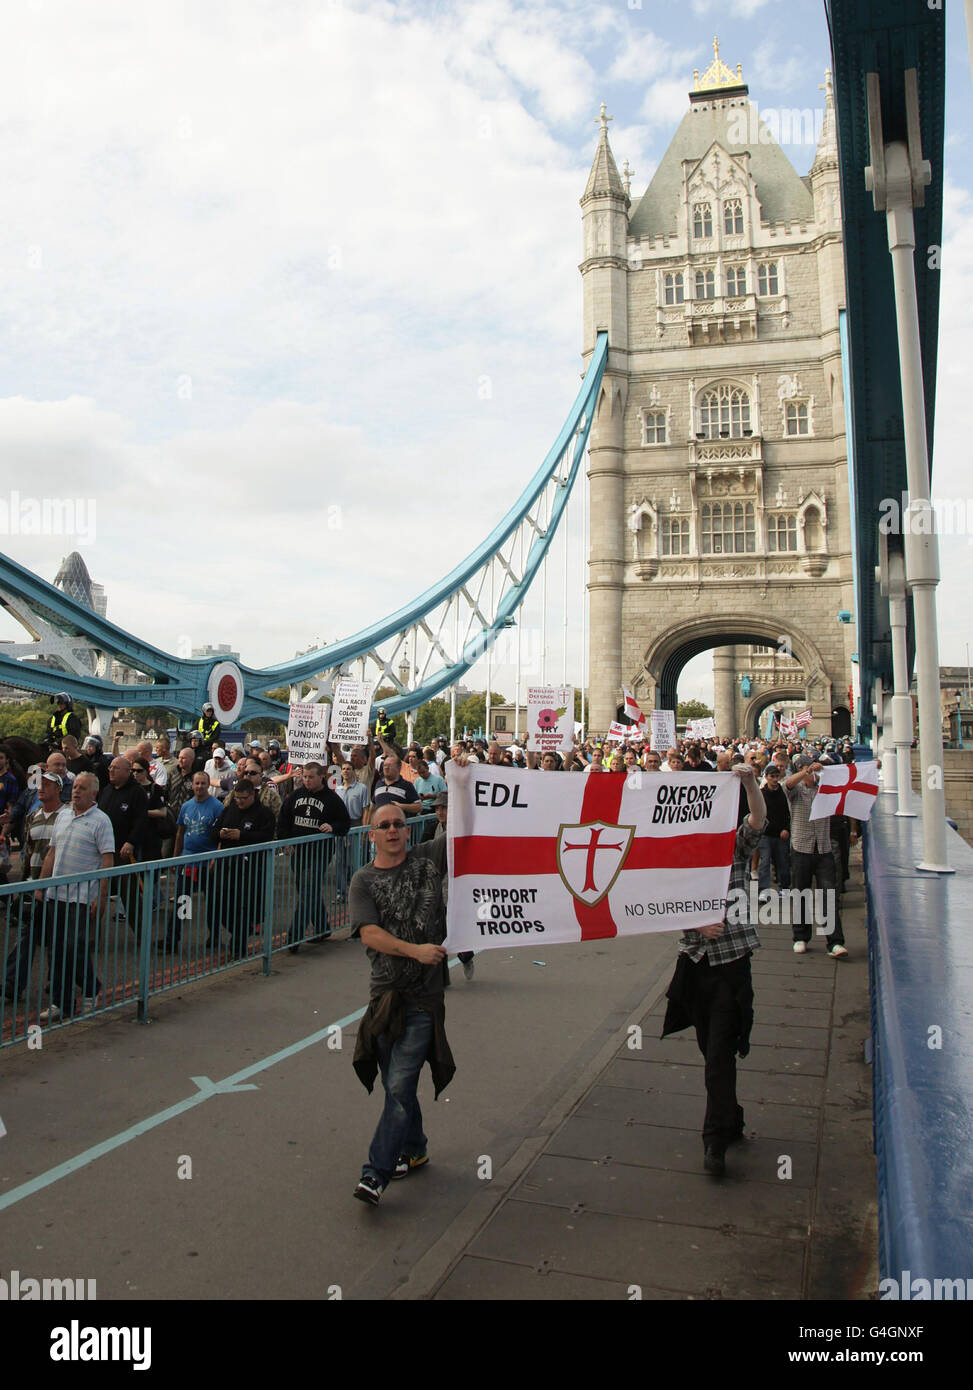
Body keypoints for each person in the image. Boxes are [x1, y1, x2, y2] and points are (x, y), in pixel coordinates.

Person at [661, 763, 766, 1177]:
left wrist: (750, 783)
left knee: (720, 1051)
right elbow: (655, 904)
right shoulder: (677, 851)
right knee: (711, 1049)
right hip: (695, 964)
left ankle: (714, 1141)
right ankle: (732, 1116)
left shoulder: (733, 845)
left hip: (732, 961)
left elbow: (758, 820)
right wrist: (694, 924)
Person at [349, 804, 454, 1205]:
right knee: (400, 1083)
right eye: (384, 826)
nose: (393, 830)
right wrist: (416, 951)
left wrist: (463, 777)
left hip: (424, 998)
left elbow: (468, 831)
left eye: (399, 824)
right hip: (385, 996)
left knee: (398, 1083)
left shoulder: (428, 860)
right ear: (371, 835)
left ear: (408, 831)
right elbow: (370, 935)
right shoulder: (363, 880)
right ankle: (415, 1147)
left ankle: (375, 1173)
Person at [34, 772, 114, 1023]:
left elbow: (107, 861)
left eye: (82, 788)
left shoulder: (101, 821)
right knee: (56, 950)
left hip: (81, 897)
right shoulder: (64, 815)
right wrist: (41, 886)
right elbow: (52, 853)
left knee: (73, 948)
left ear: (94, 794)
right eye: (75, 786)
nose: (76, 791)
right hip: (56, 894)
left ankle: (92, 988)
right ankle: (60, 1002)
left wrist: (101, 898)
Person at [278, 762, 350, 950]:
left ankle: (294, 937)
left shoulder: (332, 799)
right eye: (305, 777)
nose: (307, 780)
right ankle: (323, 928)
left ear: (321, 778)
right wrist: (286, 841)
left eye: (311, 777)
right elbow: (283, 819)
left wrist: (333, 827)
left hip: (319, 853)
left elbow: (345, 823)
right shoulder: (296, 796)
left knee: (308, 889)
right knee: (306, 890)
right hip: (298, 852)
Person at [784, 756, 848, 958]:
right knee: (801, 893)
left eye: (812, 769)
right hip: (801, 847)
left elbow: (847, 782)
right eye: (805, 769)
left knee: (829, 896)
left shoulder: (825, 788)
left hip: (823, 848)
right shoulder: (796, 790)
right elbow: (787, 784)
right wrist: (805, 771)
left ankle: (835, 942)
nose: (811, 772)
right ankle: (800, 937)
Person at [210, 779, 275, 957]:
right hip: (226, 866)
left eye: (243, 798)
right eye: (237, 798)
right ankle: (242, 931)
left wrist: (242, 835)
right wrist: (221, 834)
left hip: (250, 868)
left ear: (252, 795)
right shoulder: (229, 809)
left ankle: (238, 947)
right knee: (222, 907)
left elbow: (267, 836)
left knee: (243, 908)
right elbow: (213, 832)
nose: (239, 801)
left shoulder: (264, 813)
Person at [163, 771, 224, 952]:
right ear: (193, 784)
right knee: (183, 901)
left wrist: (216, 856)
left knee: (212, 902)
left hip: (208, 862)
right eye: (196, 783)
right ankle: (173, 939)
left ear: (208, 785)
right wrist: (176, 857)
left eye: (203, 784)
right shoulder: (186, 806)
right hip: (188, 861)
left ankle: (214, 936)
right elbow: (180, 832)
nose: (199, 787)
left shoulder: (217, 807)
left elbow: (221, 835)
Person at [335, 761, 369, 900]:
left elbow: (366, 810)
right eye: (343, 769)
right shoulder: (338, 789)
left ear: (353, 771)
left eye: (349, 769)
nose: (346, 771)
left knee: (356, 860)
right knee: (340, 861)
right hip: (341, 826)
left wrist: (364, 830)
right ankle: (340, 892)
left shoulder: (362, 788)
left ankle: (357, 892)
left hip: (356, 825)